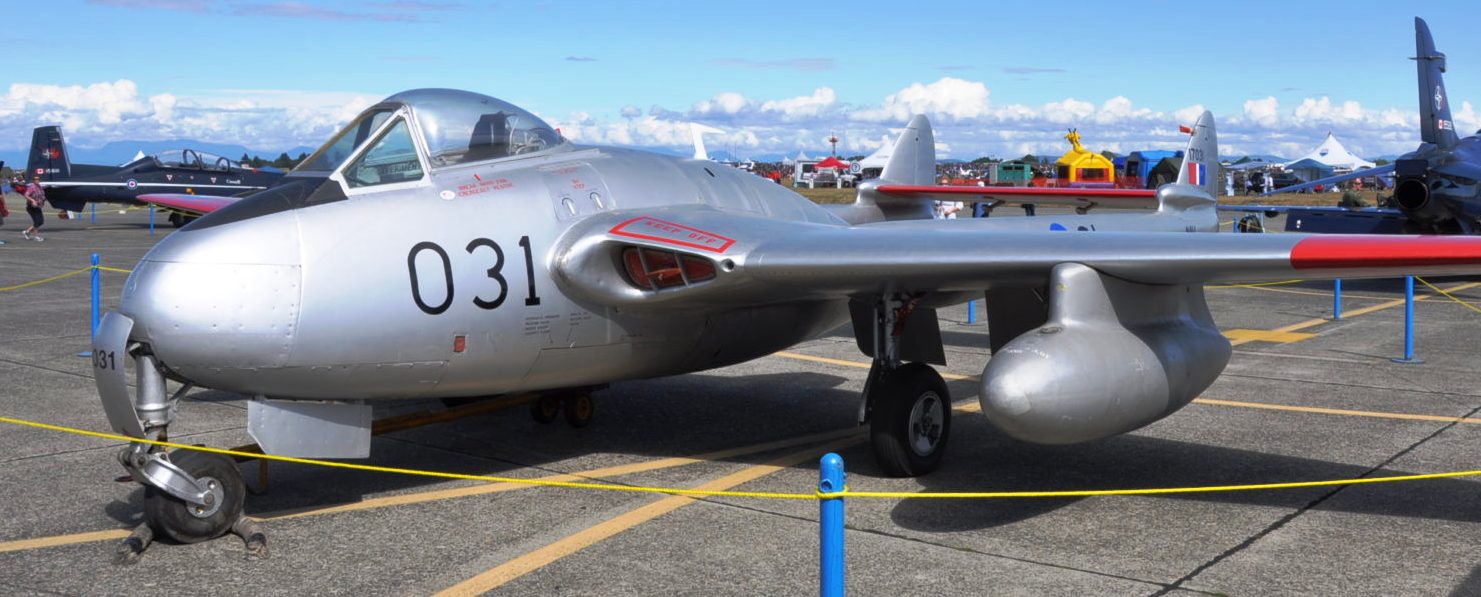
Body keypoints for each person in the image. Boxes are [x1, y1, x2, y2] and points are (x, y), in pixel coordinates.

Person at [22, 175, 46, 241]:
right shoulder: (31, 187)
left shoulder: (40, 187)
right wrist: (33, 200)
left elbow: (42, 196)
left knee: (41, 221)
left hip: (38, 207)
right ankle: (35, 236)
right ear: (33, 180)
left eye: (38, 179)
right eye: (35, 179)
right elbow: (26, 195)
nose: (37, 180)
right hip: (31, 207)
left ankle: (27, 232)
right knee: (37, 222)